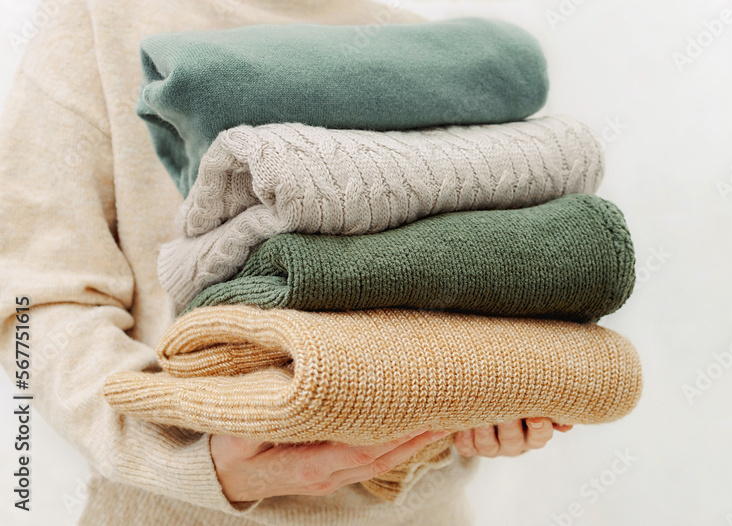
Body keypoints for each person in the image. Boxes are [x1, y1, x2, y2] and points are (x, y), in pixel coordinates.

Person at [0, 1, 567, 524]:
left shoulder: (434, 53)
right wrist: (189, 457)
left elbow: (486, 273)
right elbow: (30, 301)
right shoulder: (99, 23)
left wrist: (503, 381)